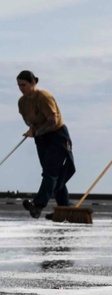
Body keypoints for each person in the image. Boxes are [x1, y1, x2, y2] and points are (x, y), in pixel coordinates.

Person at [16, 70, 75, 219]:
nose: (21, 88)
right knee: (53, 173)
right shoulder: (22, 102)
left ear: (33, 83)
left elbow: (52, 121)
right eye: (19, 85)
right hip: (41, 140)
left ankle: (38, 205)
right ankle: (65, 209)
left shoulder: (44, 97)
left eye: (24, 85)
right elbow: (28, 120)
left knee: (50, 173)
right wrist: (31, 129)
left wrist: (37, 132)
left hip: (57, 136)